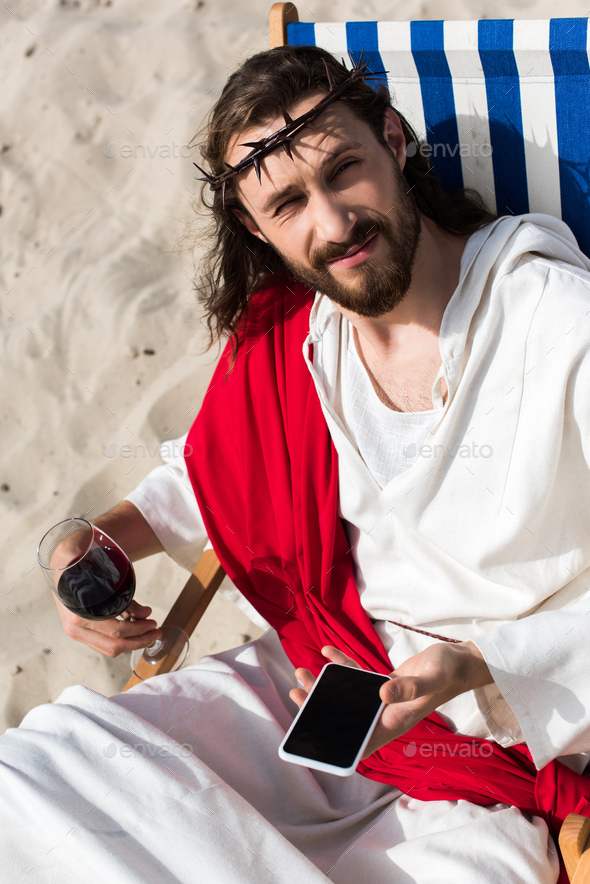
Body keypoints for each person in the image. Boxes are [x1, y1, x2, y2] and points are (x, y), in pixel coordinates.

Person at [5, 44, 590, 883]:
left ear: (392, 139)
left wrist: (482, 662)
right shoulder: (297, 337)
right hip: (317, 684)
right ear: (255, 226)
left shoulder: (553, 320)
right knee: (36, 780)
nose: (333, 222)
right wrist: (88, 550)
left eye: (343, 170)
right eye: (287, 203)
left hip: (498, 746)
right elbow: (213, 478)